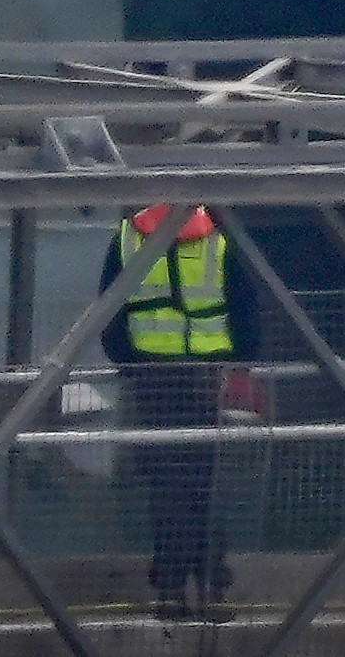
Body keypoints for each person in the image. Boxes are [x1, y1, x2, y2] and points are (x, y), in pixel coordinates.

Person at [101, 204, 256, 621]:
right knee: (204, 486)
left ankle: (170, 589)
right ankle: (211, 587)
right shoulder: (218, 241)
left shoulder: (127, 239)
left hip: (150, 379)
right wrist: (241, 361)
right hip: (207, 381)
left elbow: (108, 313)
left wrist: (127, 364)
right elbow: (245, 306)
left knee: (164, 487)